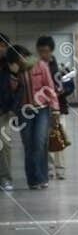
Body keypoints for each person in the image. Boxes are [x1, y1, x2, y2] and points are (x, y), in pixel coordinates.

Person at [13, 47, 58, 190]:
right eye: (17, 59)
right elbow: (12, 91)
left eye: (21, 57)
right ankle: (32, 180)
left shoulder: (40, 65)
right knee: (28, 145)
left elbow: (49, 86)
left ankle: (42, 177)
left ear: (26, 55)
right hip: (23, 111)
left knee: (39, 142)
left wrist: (55, 107)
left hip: (42, 109)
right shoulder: (15, 71)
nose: (20, 60)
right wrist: (14, 75)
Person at [37, 37, 71, 180]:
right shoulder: (35, 67)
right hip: (42, 109)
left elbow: (70, 86)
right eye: (40, 51)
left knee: (58, 137)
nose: (43, 54)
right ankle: (49, 169)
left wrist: (61, 91)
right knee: (44, 139)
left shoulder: (61, 68)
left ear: (51, 50)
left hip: (59, 108)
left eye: (46, 51)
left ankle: (60, 169)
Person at [0, 58, 18, 192]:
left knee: (5, 145)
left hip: (3, 113)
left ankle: (5, 179)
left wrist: (13, 108)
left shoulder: (9, 66)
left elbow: (18, 89)